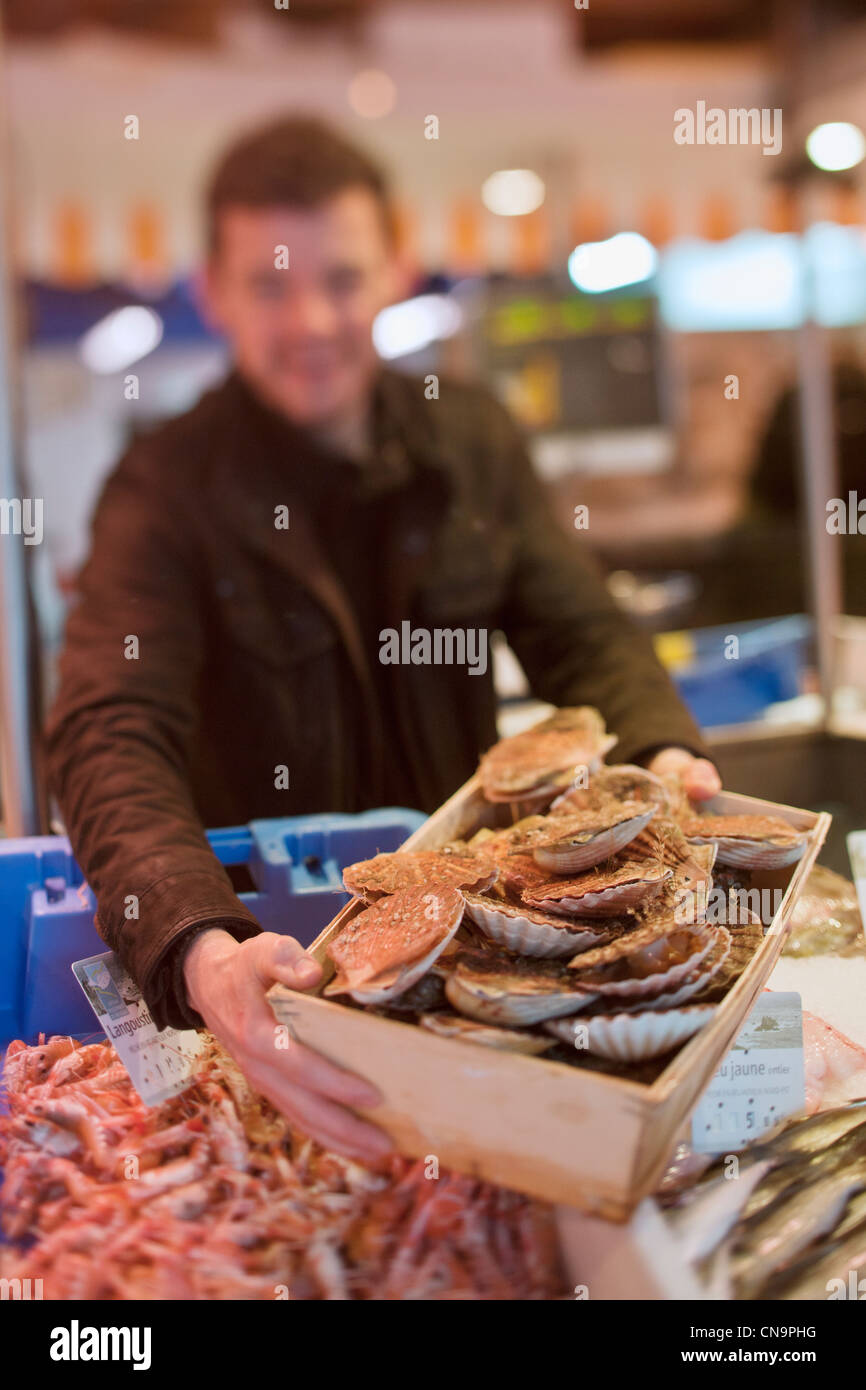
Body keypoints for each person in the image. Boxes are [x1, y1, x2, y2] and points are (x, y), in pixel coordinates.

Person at [46, 115, 720, 1162]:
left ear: (397, 270)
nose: (311, 317)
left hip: (472, 954)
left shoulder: (473, 439)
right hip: (275, 964)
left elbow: (583, 633)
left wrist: (655, 746)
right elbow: (105, 725)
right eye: (269, 286)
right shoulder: (162, 487)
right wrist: (190, 939)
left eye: (342, 276)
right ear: (214, 293)